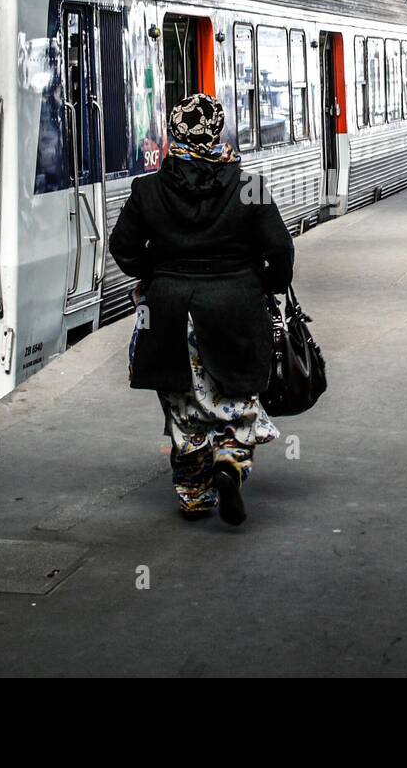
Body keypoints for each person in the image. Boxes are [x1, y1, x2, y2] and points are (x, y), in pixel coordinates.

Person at [110, 93, 294, 526]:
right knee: (235, 395)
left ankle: (194, 494)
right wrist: (267, 284)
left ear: (175, 134)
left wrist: (155, 276)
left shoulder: (149, 188)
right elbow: (281, 249)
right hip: (235, 307)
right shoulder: (250, 185)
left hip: (169, 312)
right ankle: (230, 463)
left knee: (183, 402)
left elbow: (123, 248)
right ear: (218, 132)